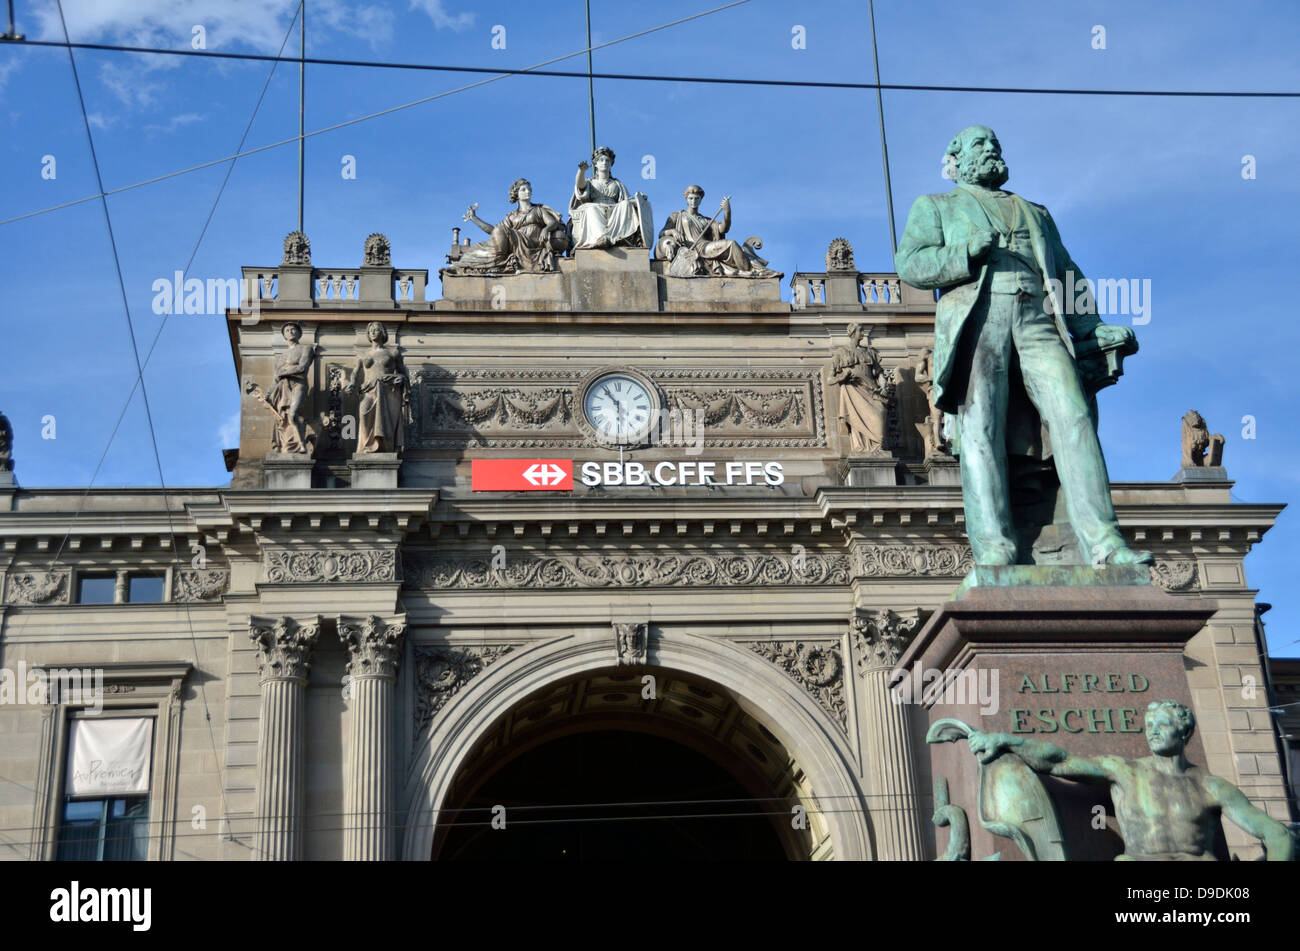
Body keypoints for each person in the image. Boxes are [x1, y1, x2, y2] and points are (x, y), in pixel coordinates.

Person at [895, 125, 1151, 566]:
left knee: (1073, 415)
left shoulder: (1035, 212)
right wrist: (964, 254)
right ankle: (994, 547)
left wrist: (1089, 326)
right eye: (979, 143)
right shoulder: (936, 206)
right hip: (980, 315)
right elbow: (910, 263)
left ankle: (1105, 543)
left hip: (1037, 315)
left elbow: (1067, 271)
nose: (991, 148)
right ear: (956, 159)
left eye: (994, 142)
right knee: (981, 428)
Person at [966, 700, 1295, 861]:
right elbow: (1059, 761)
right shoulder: (1125, 770)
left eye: (1162, 724)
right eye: (1148, 723)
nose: (1151, 730)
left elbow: (1277, 833)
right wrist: (1007, 740)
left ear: (1184, 732)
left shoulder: (1211, 785)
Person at [655, 185, 775, 277]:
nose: (693, 201)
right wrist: (672, 231)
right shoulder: (678, 215)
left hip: (704, 247)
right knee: (731, 244)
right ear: (686, 199)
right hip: (690, 249)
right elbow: (662, 233)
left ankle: (750, 270)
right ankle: (750, 270)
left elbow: (723, 228)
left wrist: (727, 212)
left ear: (700, 200)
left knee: (731, 244)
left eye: (696, 198)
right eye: (691, 198)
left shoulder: (706, 220)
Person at [455, 178, 570, 273]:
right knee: (478, 247)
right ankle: (491, 262)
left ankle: (498, 263)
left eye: (529, 189)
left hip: (532, 243)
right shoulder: (512, 216)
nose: (528, 191)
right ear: (517, 194)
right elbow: (495, 231)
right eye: (524, 189)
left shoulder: (538, 210)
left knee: (501, 231)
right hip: (516, 245)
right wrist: (475, 219)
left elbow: (552, 222)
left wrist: (546, 228)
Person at [827, 323, 889, 453]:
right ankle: (863, 448)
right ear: (853, 333)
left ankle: (877, 446)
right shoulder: (841, 352)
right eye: (860, 330)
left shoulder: (870, 352)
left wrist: (883, 386)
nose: (863, 332)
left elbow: (880, 374)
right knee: (857, 421)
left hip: (872, 391)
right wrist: (841, 378)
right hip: (853, 390)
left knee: (880, 413)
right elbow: (829, 379)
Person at [348, 322, 409, 454]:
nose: (374, 332)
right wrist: (351, 384)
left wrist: (400, 378)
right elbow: (355, 372)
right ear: (368, 335)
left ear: (383, 333)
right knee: (364, 414)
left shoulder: (393, 353)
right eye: (371, 330)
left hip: (388, 391)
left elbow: (403, 373)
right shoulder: (362, 355)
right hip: (368, 390)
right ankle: (366, 445)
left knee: (387, 422)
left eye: (377, 330)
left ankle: (384, 448)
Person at [569, 147, 645, 250]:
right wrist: (581, 171)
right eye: (601, 160)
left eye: (607, 160)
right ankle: (599, 238)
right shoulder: (590, 182)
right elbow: (580, 186)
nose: (604, 162)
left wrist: (638, 200)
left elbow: (626, 199)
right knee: (591, 210)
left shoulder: (617, 184)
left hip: (614, 208)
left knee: (625, 204)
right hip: (596, 206)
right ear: (595, 164)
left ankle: (618, 237)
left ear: (611, 164)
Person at [267, 322, 315, 453]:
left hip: (298, 384)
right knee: (282, 417)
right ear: (284, 335)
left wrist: (283, 371)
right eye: (287, 330)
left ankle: (302, 445)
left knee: (293, 414)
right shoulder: (280, 357)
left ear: (299, 333)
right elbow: (276, 379)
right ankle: (290, 445)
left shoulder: (306, 348)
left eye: (293, 329)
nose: (290, 332)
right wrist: (268, 394)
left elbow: (302, 368)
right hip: (282, 388)